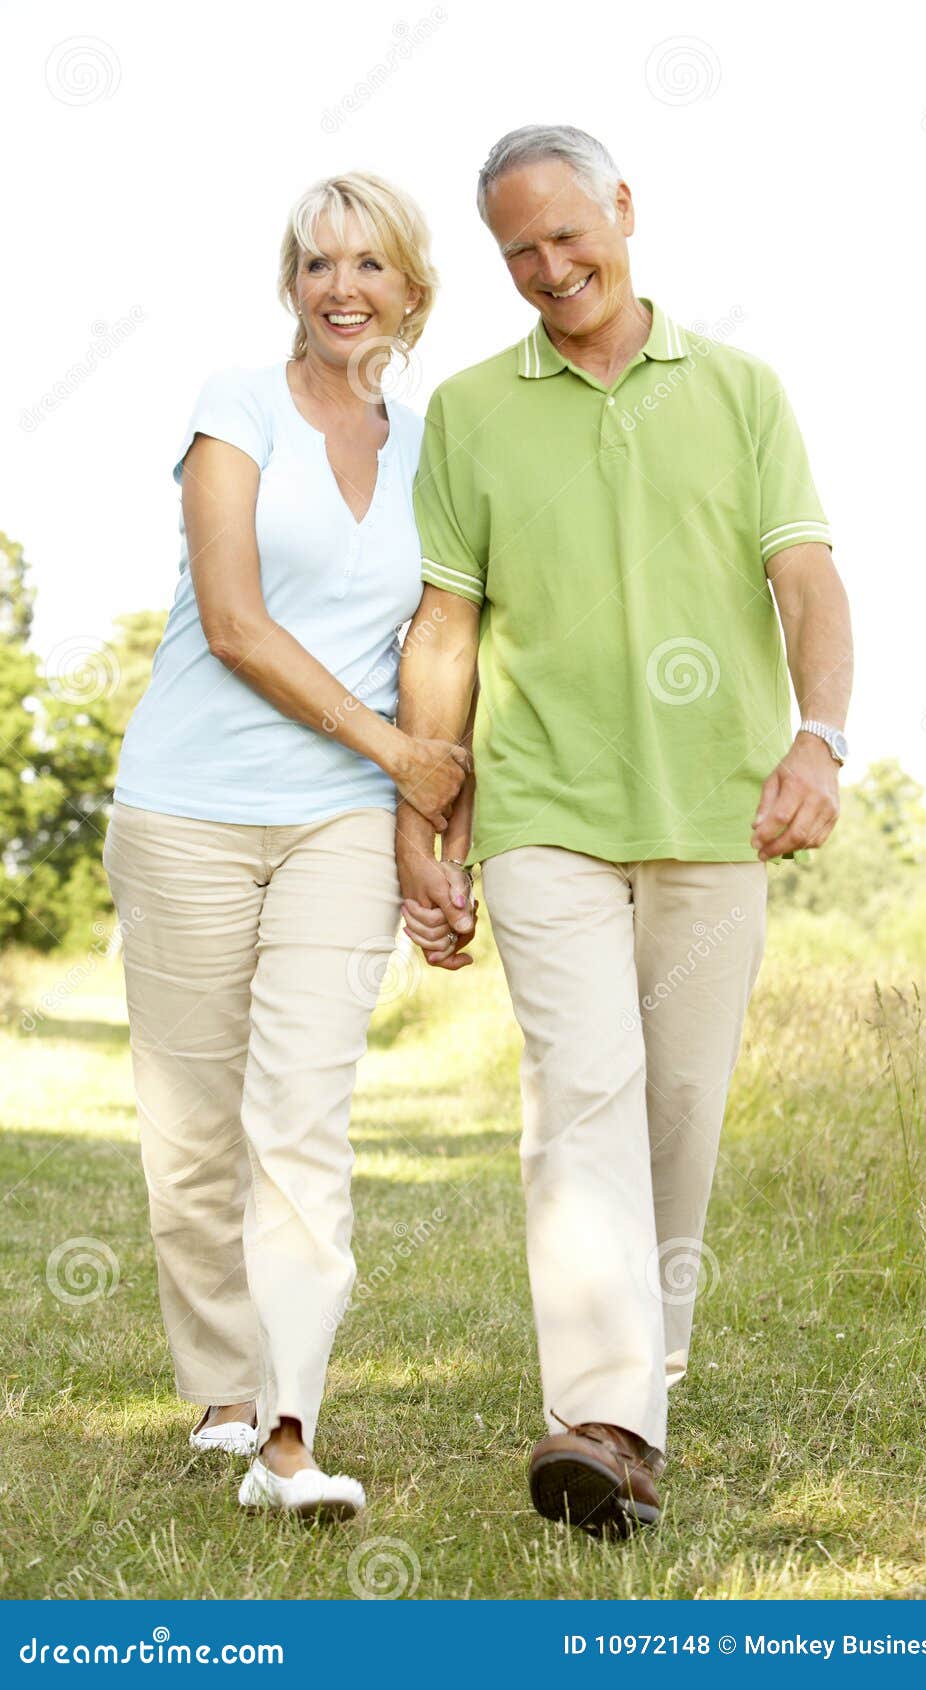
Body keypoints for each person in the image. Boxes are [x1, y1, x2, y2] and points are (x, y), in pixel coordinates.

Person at [396, 124, 853, 1536]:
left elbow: (806, 578)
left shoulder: (741, 388)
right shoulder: (470, 409)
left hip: (715, 810)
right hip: (543, 806)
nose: (549, 268)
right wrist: (424, 813)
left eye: (567, 234)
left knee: (678, 1106)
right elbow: (448, 625)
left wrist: (821, 737)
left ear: (625, 210)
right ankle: (603, 1417)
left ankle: (645, 1384)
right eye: (517, 251)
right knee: (581, 1087)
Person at [102, 170, 470, 1520]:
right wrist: (400, 757)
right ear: (291, 285)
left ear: (412, 290)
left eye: (369, 264)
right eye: (318, 263)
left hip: (337, 822)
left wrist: (433, 830)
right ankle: (220, 1391)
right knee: (195, 1125)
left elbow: (443, 639)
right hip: (186, 806)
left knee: (303, 1115)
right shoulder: (237, 407)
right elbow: (234, 621)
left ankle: (291, 1434)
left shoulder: (438, 449)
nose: (341, 287)